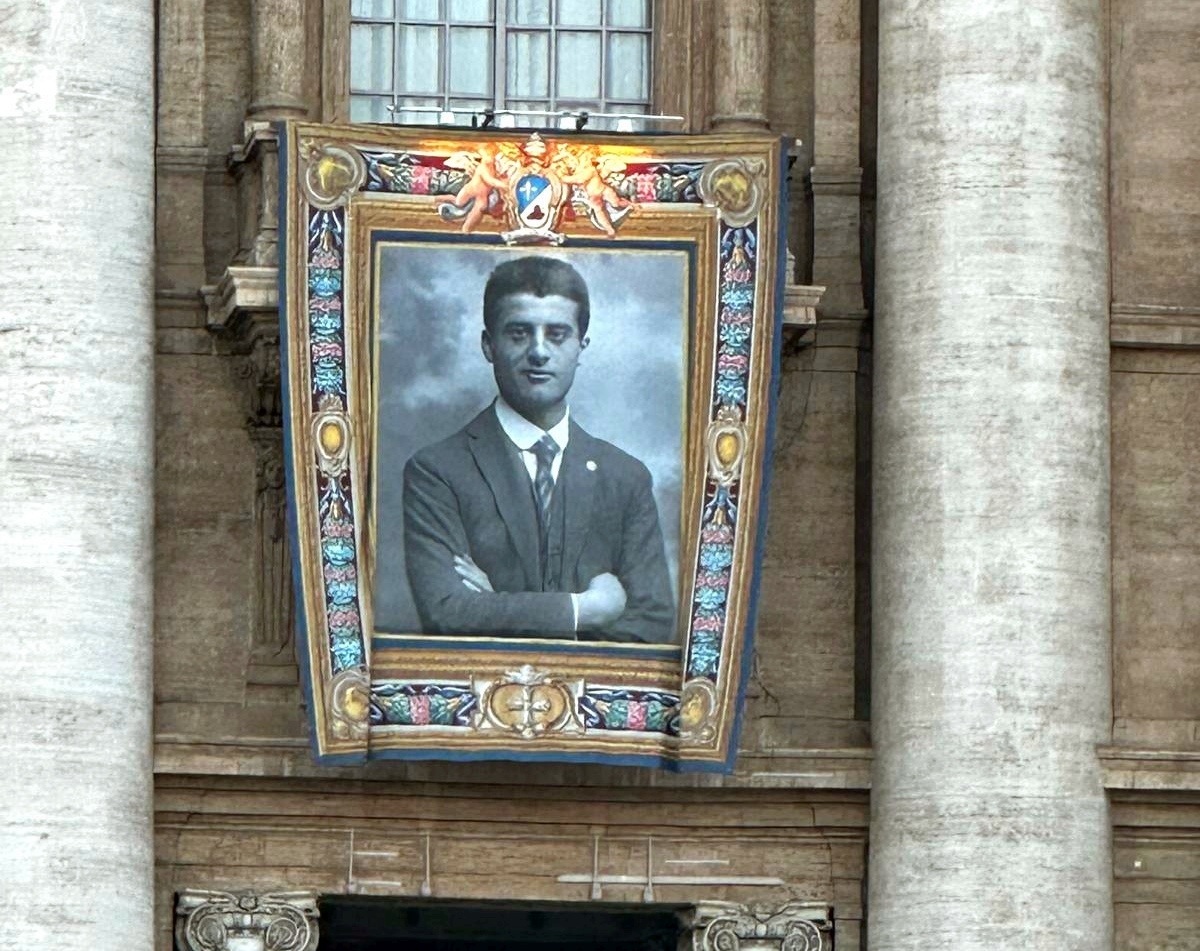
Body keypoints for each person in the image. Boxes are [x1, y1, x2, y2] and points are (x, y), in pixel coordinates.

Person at [402, 256, 676, 643]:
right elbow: (448, 611)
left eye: (558, 334)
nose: (539, 352)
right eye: (518, 333)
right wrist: (585, 610)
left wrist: (498, 608)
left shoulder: (626, 478)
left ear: (582, 346)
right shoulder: (437, 472)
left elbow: (650, 627)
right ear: (488, 344)